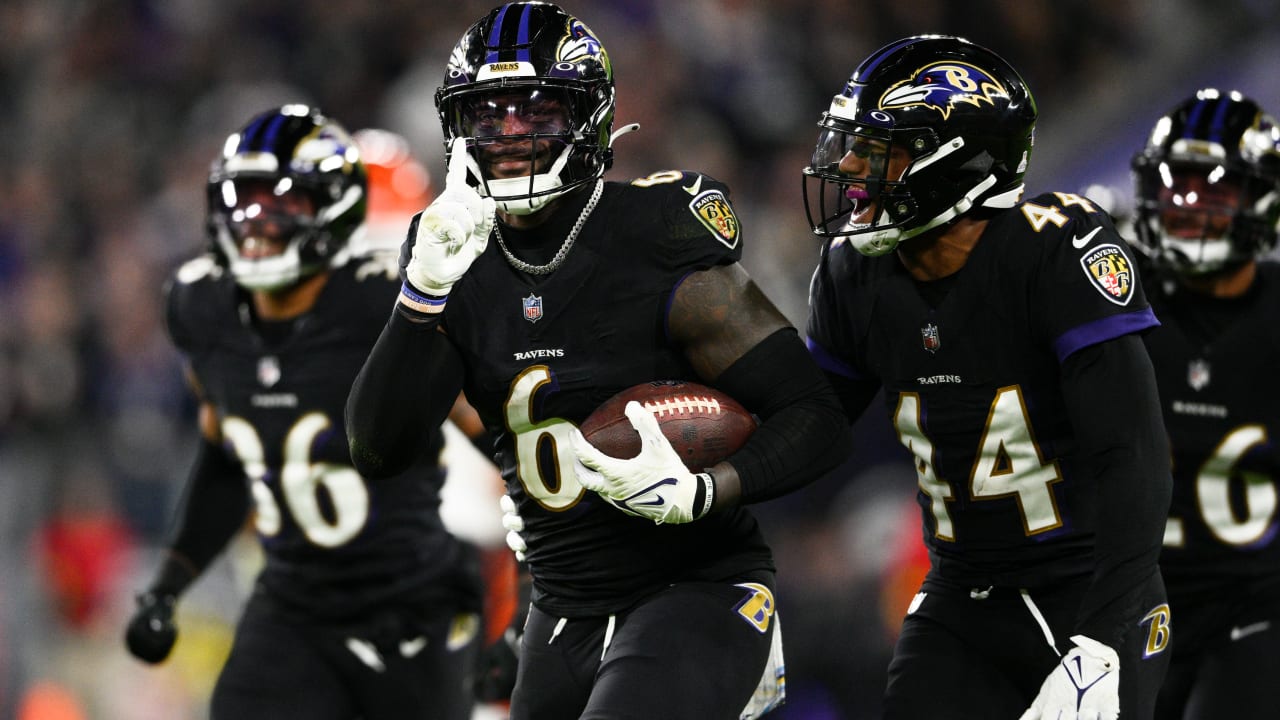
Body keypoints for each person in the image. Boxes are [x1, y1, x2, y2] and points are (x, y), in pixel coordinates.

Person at [344, 3, 852, 719]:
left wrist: (708, 490)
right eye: (489, 117)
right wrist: (421, 296)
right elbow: (376, 448)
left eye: (537, 112)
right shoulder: (455, 258)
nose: (511, 136)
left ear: (590, 117)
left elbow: (817, 418)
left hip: (696, 594)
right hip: (561, 613)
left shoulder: (655, 235)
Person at [801, 35, 1173, 719]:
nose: (850, 168)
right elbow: (803, 424)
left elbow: (1134, 458)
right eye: (852, 144)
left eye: (881, 150)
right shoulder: (856, 275)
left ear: (957, 163)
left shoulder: (1052, 249)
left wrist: (1104, 638)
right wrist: (702, 477)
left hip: (1085, 584)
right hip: (959, 594)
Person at [124, 105, 487, 720]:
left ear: (336, 208)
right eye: (244, 200)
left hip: (409, 607)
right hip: (292, 606)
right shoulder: (199, 305)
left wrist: (544, 572)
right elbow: (225, 457)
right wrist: (168, 585)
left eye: (284, 202)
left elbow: (497, 436)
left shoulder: (386, 305)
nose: (257, 221)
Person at [1129, 88, 1280, 720]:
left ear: (1258, 198)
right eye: (1177, 186)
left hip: (1259, 599)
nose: (1189, 205)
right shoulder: (1111, 300)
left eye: (1215, 190)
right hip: (1135, 608)